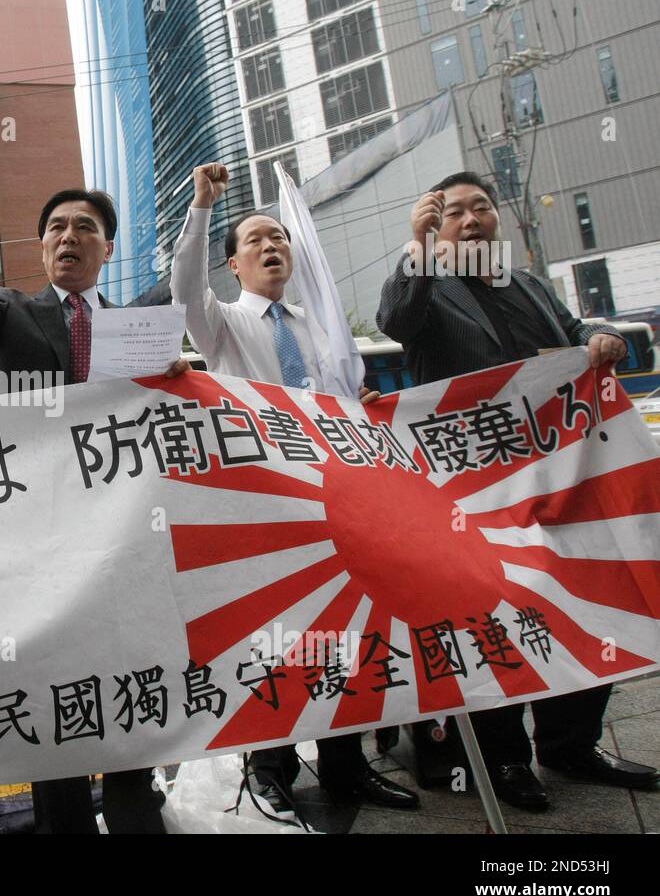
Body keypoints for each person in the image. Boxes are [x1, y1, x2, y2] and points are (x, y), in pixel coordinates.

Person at [377, 170, 659, 810]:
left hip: (563, 479)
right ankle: (506, 761)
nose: (472, 219)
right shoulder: (428, 289)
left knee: (588, 598)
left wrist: (596, 338)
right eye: (455, 212)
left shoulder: (525, 283)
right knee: (498, 616)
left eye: (483, 207)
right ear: (437, 226)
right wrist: (416, 246)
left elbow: (572, 326)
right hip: (477, 492)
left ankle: (571, 744)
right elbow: (395, 318)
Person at [0, 148, 178, 834]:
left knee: (128, 680)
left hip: (126, 537)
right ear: (42, 246)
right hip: (42, 539)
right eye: (57, 227)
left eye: (84, 227)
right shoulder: (13, 314)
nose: (69, 236)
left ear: (107, 248)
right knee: (55, 687)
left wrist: (174, 376)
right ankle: (62, 823)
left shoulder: (140, 328)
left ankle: (133, 809)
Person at [171, 162, 419, 815]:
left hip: (339, 500)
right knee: (279, 641)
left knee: (347, 633)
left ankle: (346, 765)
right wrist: (200, 206)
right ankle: (271, 768)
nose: (271, 246)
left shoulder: (325, 328)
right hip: (268, 507)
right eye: (255, 240)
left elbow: (346, 396)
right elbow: (183, 287)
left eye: (279, 236)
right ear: (233, 265)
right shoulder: (223, 325)